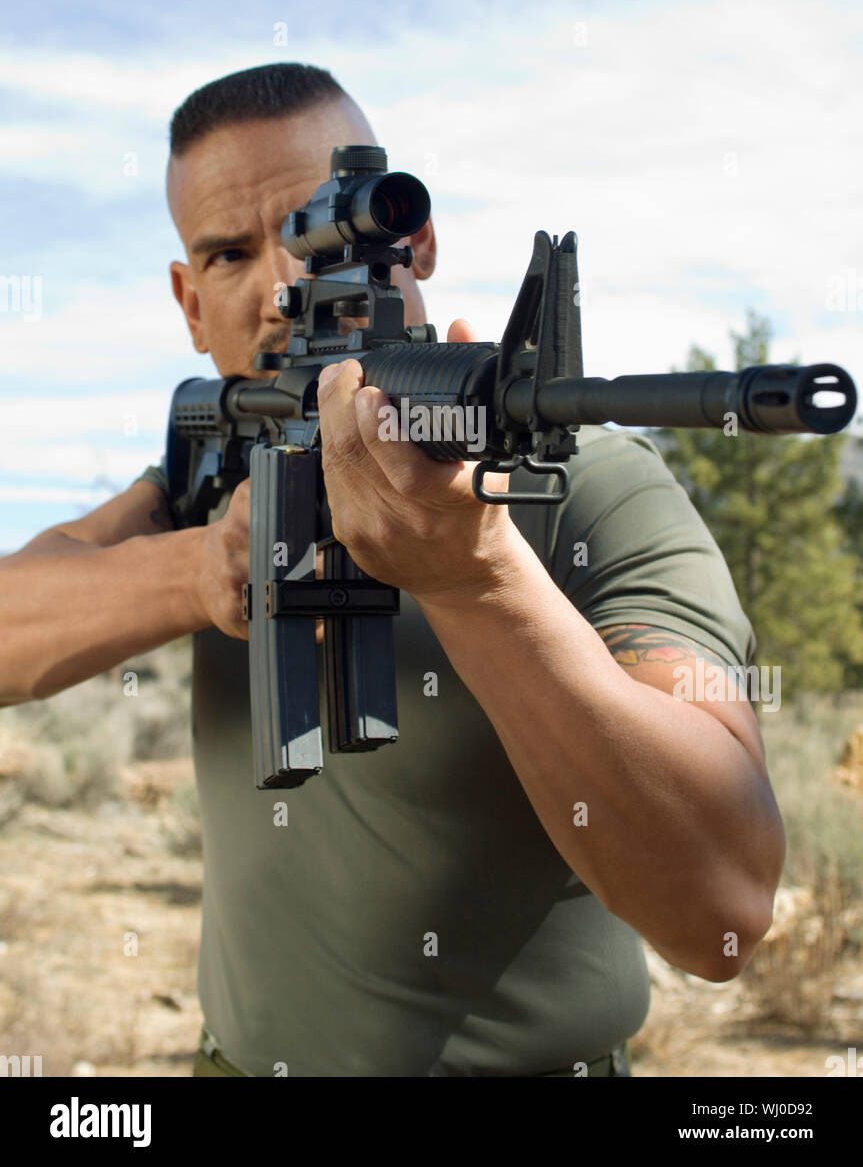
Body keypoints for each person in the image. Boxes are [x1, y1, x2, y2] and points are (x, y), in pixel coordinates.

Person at [0, 63, 786, 1078]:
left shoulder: (585, 490)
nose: (282, 282)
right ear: (191, 304)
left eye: (308, 227)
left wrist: (479, 583)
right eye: (230, 254)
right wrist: (206, 566)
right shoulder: (207, 473)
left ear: (410, 243)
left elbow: (719, 913)